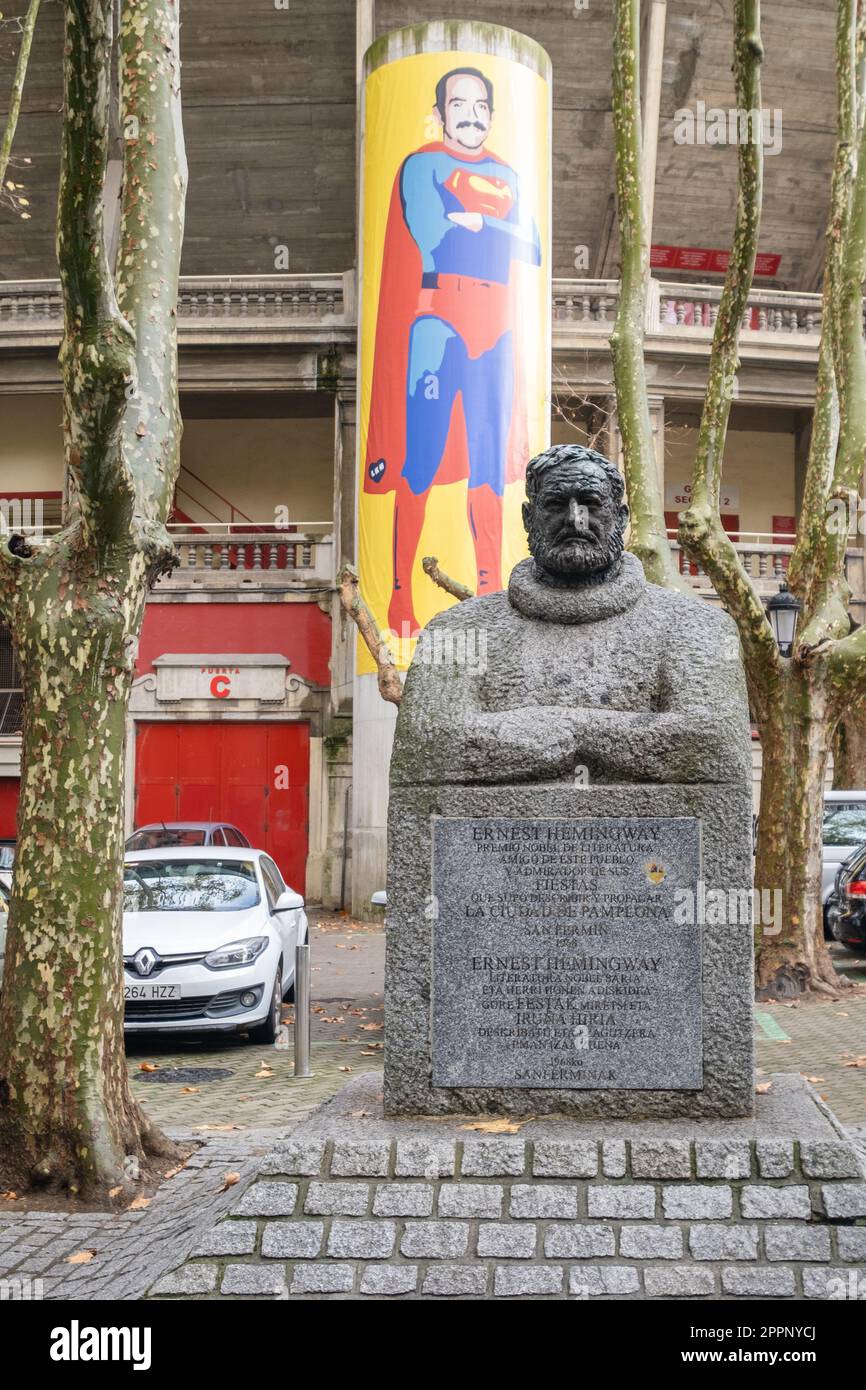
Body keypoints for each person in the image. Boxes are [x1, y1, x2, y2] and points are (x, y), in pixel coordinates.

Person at [364, 66, 541, 635]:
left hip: (496, 334)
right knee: (421, 458)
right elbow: (434, 231)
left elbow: (532, 246)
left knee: (489, 466)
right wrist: (490, 227)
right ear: (441, 114)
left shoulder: (509, 174)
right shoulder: (422, 165)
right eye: (459, 104)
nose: (472, 113)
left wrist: (475, 221)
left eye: (481, 104)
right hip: (438, 329)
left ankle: (490, 590)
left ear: (491, 112)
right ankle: (399, 595)